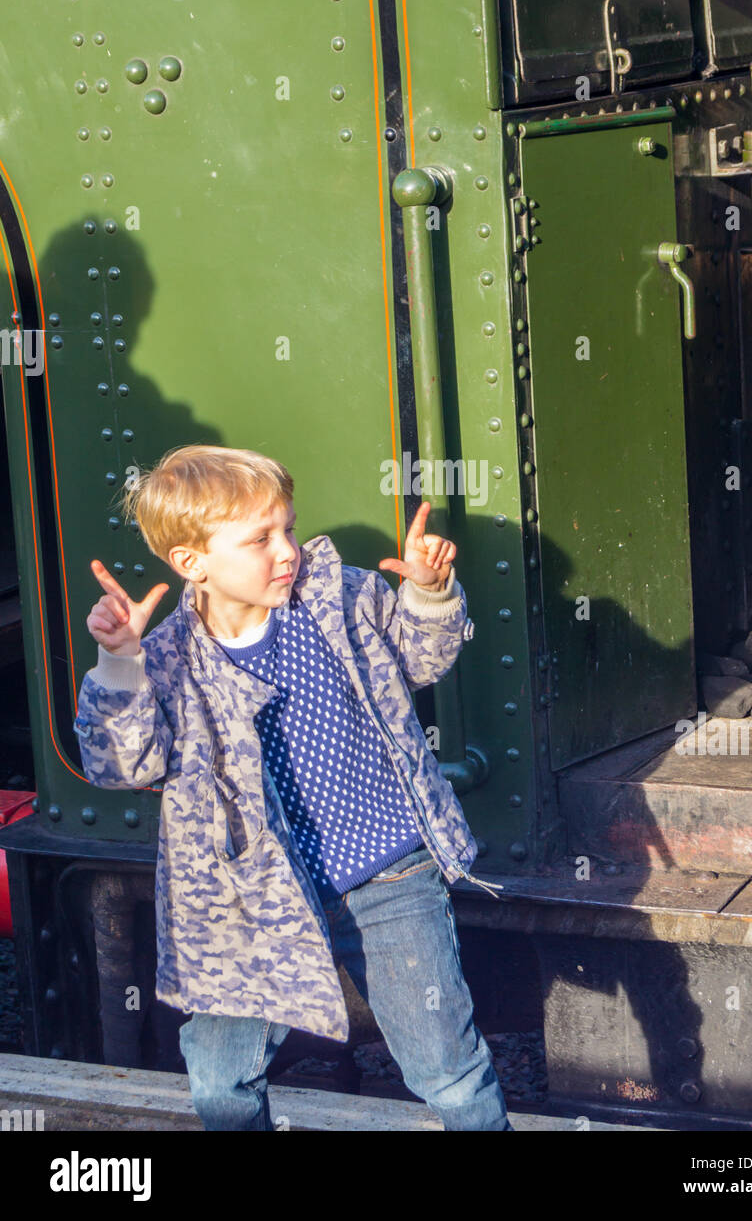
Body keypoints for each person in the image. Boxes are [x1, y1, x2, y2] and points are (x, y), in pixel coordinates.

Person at [74, 443, 512, 1131]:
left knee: (445, 1065)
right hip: (245, 905)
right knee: (222, 1081)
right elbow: (124, 766)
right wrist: (119, 663)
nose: (287, 550)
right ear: (192, 563)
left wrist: (428, 592)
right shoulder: (166, 660)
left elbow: (423, 659)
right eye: (259, 539)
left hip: (388, 872)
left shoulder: (338, 599)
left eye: (288, 527)